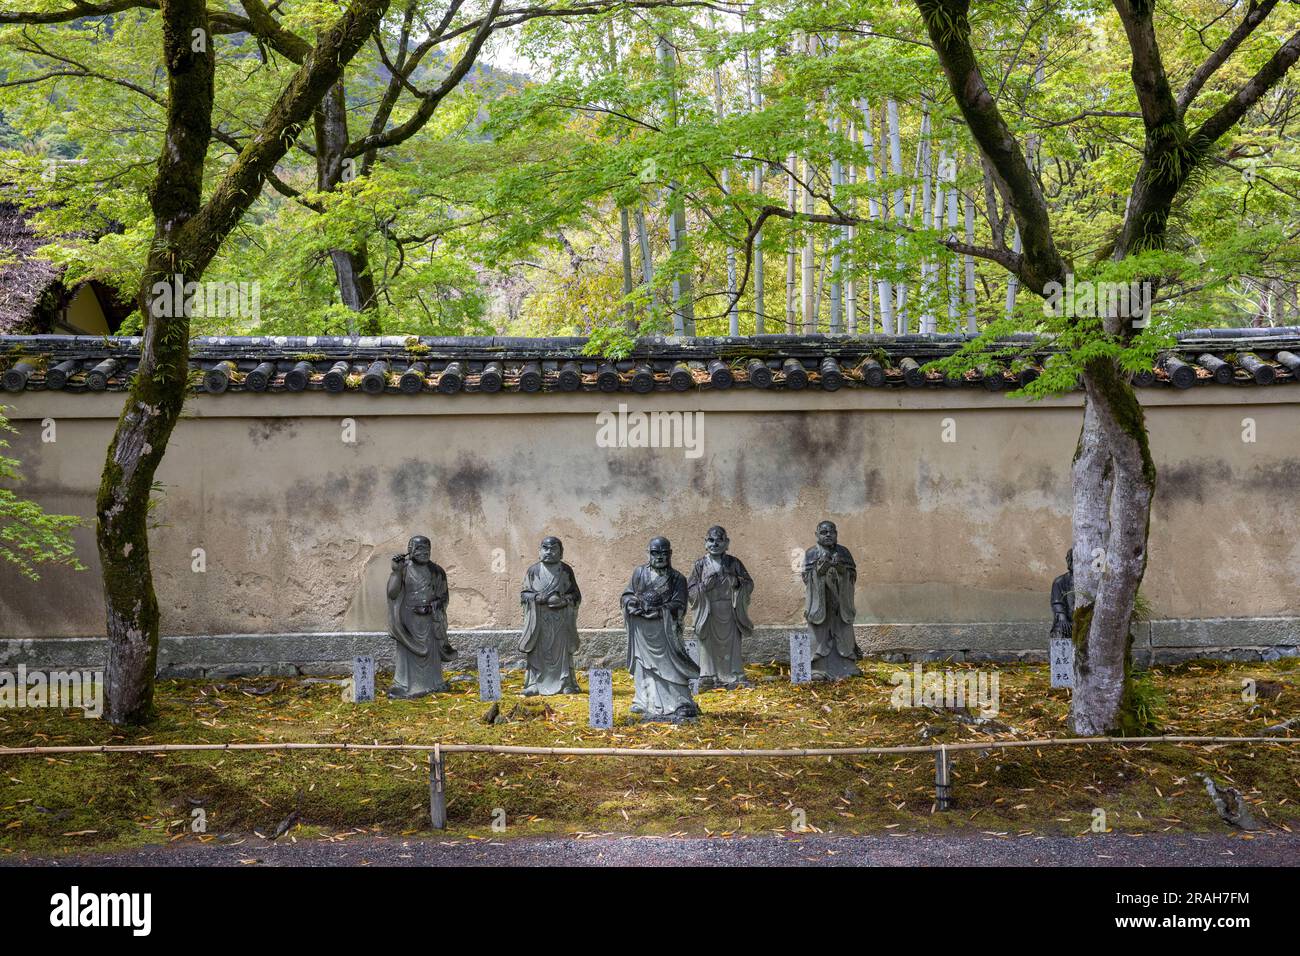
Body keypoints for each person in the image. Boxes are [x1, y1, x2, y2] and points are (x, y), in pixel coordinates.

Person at [622, 536, 699, 722]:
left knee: (671, 667)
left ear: (670, 554)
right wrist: (632, 605)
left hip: (665, 632)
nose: (659, 557)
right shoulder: (639, 573)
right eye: (655, 553)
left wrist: (659, 611)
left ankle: (680, 701)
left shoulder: (677, 578)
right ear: (648, 553)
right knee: (644, 666)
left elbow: (679, 604)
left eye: (664, 553)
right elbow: (627, 595)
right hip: (642, 629)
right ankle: (644, 700)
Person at [386, 535, 455, 698]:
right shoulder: (403, 569)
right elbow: (392, 593)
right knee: (406, 653)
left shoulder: (437, 571)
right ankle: (404, 685)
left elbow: (444, 597)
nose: (424, 552)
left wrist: (432, 607)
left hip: (429, 619)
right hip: (408, 620)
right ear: (410, 551)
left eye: (427, 549)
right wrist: (396, 572)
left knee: (431, 652)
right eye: (419, 549)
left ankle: (434, 683)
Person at [687, 526, 754, 690]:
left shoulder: (734, 563)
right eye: (711, 540)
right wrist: (703, 587)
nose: (715, 544)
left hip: (730, 612)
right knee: (707, 645)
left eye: (719, 540)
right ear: (705, 542)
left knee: (733, 646)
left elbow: (749, 583)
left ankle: (735, 674)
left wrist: (737, 583)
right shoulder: (700, 565)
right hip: (708, 612)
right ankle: (708, 676)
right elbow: (690, 590)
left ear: (727, 543)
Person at [519, 536, 582, 695]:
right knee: (537, 652)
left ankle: (565, 682)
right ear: (539, 551)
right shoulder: (533, 571)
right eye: (545, 548)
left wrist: (564, 601)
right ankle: (534, 683)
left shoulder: (565, 570)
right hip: (539, 621)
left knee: (562, 652)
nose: (549, 552)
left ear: (561, 552)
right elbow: (524, 594)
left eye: (554, 549)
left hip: (560, 620)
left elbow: (575, 595)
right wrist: (535, 598)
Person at [802, 520, 862, 681]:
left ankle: (847, 665)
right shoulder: (811, 553)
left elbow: (852, 575)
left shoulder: (844, 552)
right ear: (816, 535)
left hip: (840, 603)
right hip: (820, 603)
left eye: (831, 532)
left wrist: (841, 568)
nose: (828, 535)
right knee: (819, 632)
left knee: (843, 632)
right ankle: (817, 667)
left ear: (836, 534)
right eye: (823, 532)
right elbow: (807, 577)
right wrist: (821, 569)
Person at [1050, 550, 1075, 640]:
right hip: (1067, 619)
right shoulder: (1060, 581)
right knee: (1061, 630)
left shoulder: (1090, 582)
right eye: (1071, 560)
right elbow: (1057, 602)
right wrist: (1062, 618)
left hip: (1084, 621)